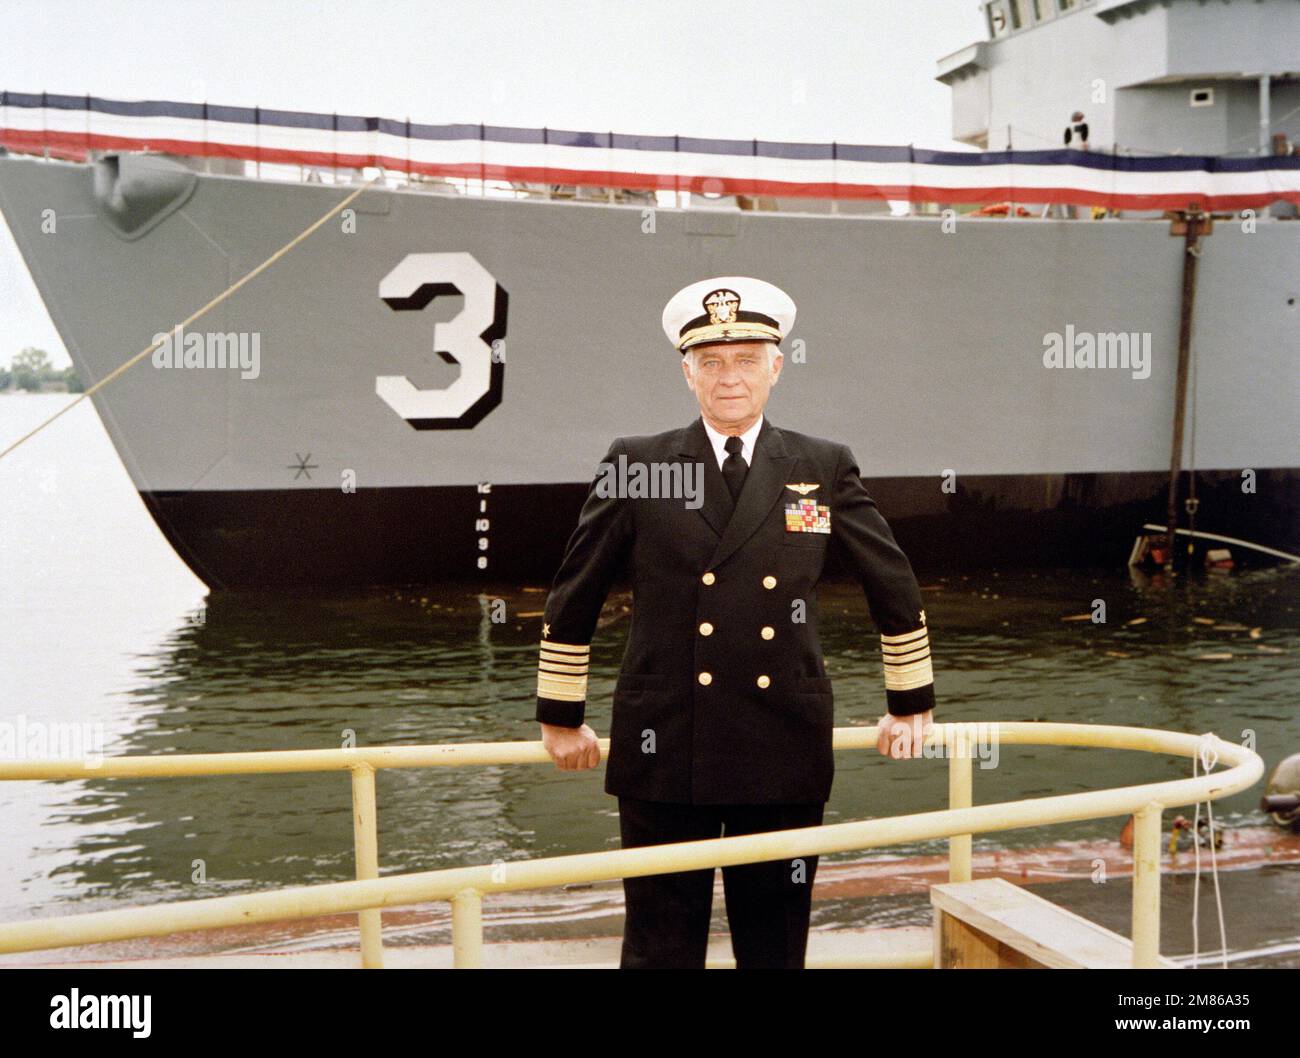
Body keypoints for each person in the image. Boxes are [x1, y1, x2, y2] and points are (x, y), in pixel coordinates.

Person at [534, 275, 936, 969]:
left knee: (776, 946)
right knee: (660, 948)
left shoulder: (820, 465)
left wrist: (909, 705)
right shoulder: (639, 464)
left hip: (780, 740)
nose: (730, 378)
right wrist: (560, 714)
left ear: (777, 367)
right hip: (665, 742)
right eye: (712, 362)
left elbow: (890, 579)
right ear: (686, 372)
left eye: (748, 359)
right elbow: (578, 588)